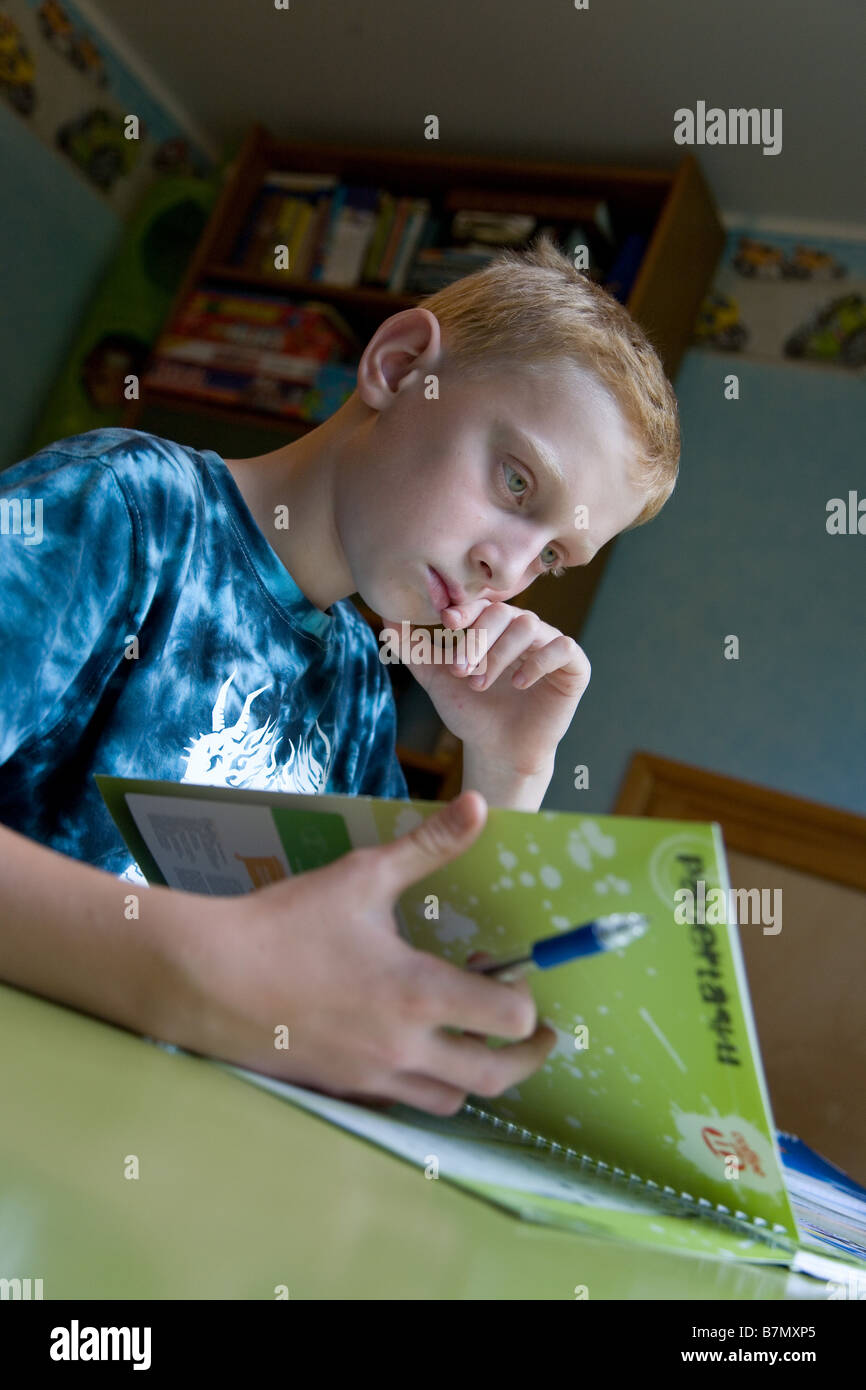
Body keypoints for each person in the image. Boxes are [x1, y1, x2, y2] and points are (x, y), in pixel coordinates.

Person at [0, 234, 679, 1114]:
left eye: (552, 556)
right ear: (398, 369)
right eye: (517, 483)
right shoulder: (126, 508)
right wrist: (202, 973)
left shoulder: (357, 688)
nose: (507, 571)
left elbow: (402, 1009)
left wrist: (508, 772)